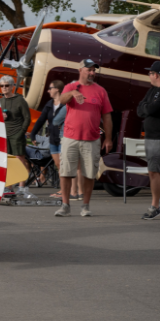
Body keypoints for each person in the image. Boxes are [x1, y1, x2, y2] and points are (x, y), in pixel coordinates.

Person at [55, 59, 113, 217]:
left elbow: (107, 116)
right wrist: (73, 93)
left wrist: (108, 138)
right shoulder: (70, 87)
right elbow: (61, 100)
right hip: (70, 137)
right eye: (89, 70)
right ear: (80, 70)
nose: (92, 73)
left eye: (94, 70)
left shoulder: (100, 91)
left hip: (92, 139)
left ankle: (85, 206)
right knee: (66, 172)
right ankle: (65, 205)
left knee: (89, 174)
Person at [29, 80, 67, 196]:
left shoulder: (66, 104)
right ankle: (64, 190)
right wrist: (33, 134)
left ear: (57, 90)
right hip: (53, 138)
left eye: (50, 88)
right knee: (58, 164)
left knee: (63, 165)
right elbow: (41, 120)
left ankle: (66, 190)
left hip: (64, 138)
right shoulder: (49, 104)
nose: (48, 90)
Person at [136, 61, 160, 220]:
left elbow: (152, 109)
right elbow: (140, 109)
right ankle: (155, 205)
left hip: (158, 138)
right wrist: (148, 107)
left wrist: (148, 107)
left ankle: (155, 205)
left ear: (156, 75)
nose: (149, 75)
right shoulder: (151, 90)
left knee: (155, 171)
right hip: (150, 138)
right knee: (153, 171)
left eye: (150, 73)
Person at [0, 76, 32, 189]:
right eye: (2, 86)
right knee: (8, 162)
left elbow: (27, 118)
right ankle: (9, 187)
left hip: (17, 133)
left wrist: (21, 132)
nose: (4, 88)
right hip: (5, 134)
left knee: (19, 160)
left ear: (12, 86)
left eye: (6, 85)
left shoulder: (20, 100)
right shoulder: (0, 101)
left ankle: (22, 187)